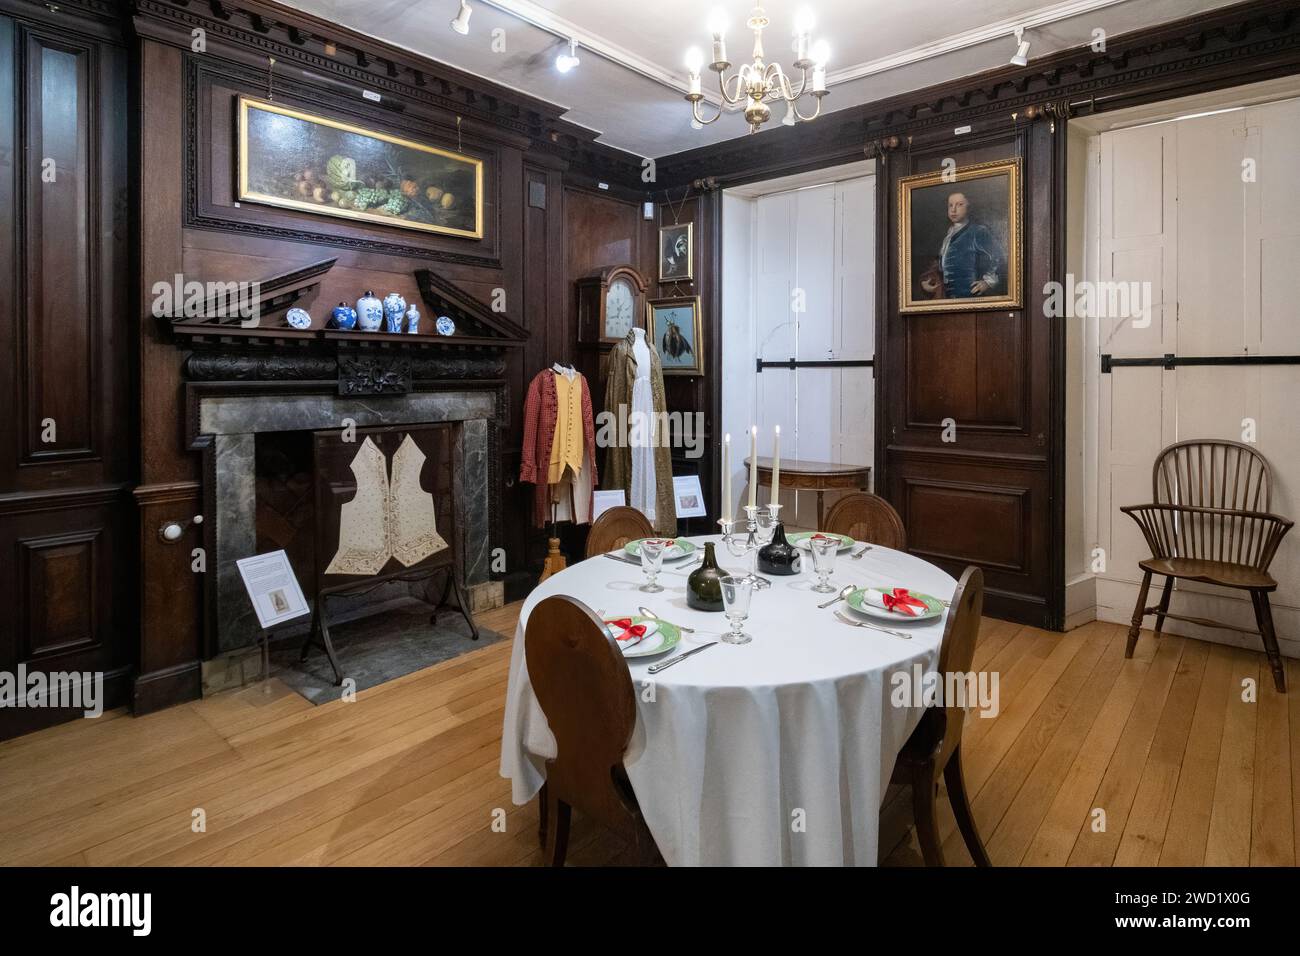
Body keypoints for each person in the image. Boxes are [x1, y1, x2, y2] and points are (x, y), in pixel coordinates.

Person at [937, 191, 1004, 297]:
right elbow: (942, 265)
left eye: (959, 204)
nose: (953, 209)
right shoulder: (948, 234)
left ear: (969, 207)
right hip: (949, 297)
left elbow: (999, 255)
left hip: (969, 295)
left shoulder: (978, 231)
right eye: (950, 205)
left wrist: (988, 282)